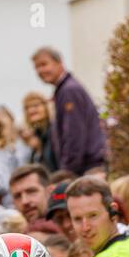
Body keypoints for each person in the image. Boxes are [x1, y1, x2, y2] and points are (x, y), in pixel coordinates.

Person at [32, 46, 108, 176]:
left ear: (59, 63)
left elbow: (74, 133)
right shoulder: (63, 90)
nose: (41, 70)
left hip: (87, 168)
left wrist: (67, 171)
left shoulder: (69, 91)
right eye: (37, 67)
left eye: (44, 64)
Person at [22, 91, 56, 170]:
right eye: (27, 107)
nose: (31, 110)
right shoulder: (35, 136)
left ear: (46, 107)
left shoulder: (54, 131)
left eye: (36, 105)